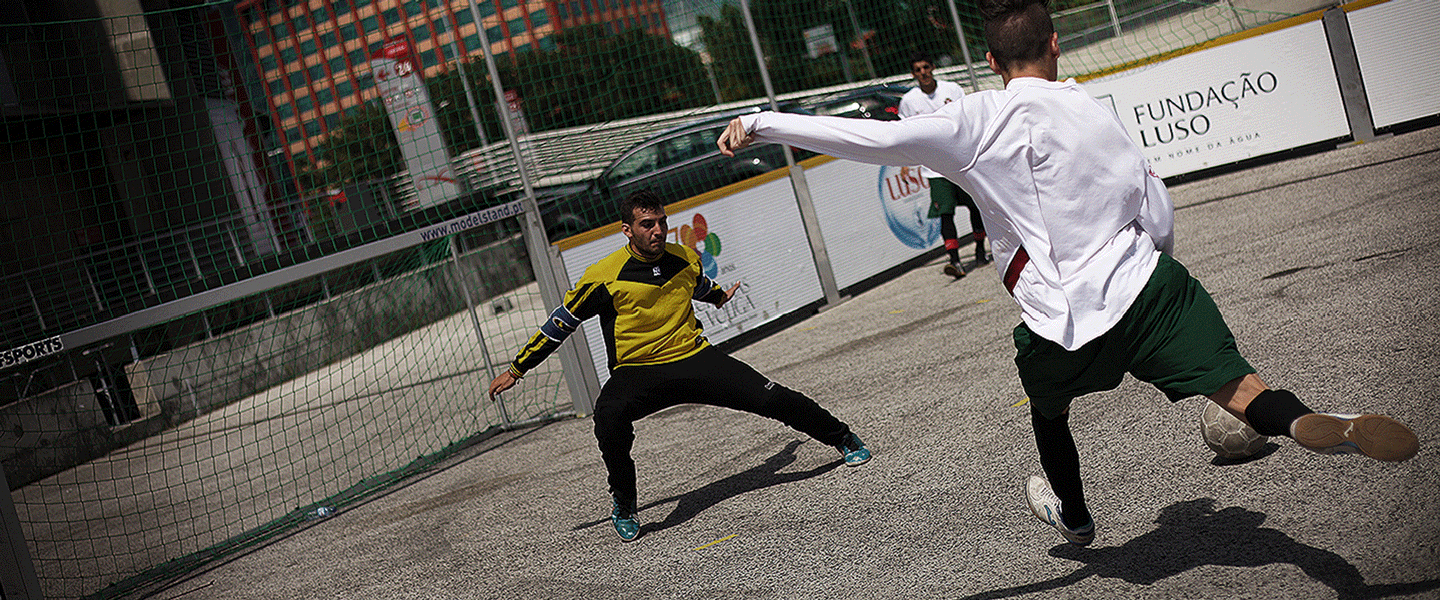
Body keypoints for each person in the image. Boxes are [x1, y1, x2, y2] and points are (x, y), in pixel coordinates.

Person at [717, 0, 1418, 547]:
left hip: (1064, 317)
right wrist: (1159, 286)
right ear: (1056, 45)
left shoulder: (974, 118)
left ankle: (1076, 518)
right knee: (1240, 387)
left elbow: (877, 140)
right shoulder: (1091, 107)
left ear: (991, 61)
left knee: (1050, 414)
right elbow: (1157, 207)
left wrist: (761, 122)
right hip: (1149, 284)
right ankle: (1301, 420)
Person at [487, 190, 872, 543]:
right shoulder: (603, 277)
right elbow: (559, 324)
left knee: (768, 396)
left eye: (661, 223)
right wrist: (518, 369)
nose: (657, 231)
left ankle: (842, 438)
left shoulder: (684, 257)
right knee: (608, 415)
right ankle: (624, 503)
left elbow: (698, 285)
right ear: (627, 231)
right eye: (647, 225)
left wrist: (719, 297)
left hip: (694, 358)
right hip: (638, 370)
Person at [898, 52, 988, 278]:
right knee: (944, 213)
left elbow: (967, 119)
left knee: (975, 207)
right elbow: (905, 132)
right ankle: (955, 261)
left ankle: (980, 250)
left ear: (933, 67)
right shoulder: (909, 101)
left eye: (926, 67)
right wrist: (905, 162)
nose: (923, 73)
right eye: (918, 70)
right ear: (913, 74)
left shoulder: (952, 90)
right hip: (934, 168)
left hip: (960, 160)